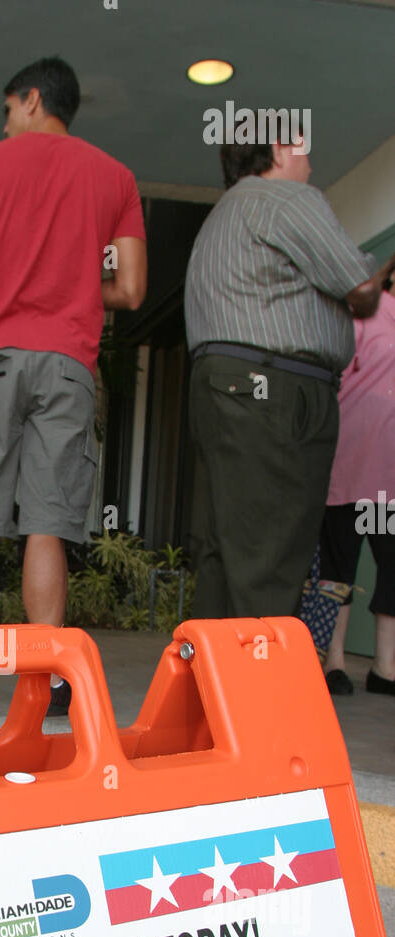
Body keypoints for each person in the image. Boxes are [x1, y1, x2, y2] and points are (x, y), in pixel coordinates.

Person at [0, 55, 146, 710]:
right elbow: (132, 289)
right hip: (68, 365)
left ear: (30, 100)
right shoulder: (115, 177)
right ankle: (48, 677)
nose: (3, 127)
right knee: (48, 522)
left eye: (6, 111)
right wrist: (77, 293)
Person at [185, 134, 395, 622]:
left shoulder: (223, 215)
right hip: (276, 391)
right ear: (276, 152)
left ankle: (212, 692)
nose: (309, 163)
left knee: (226, 550)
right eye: (302, 151)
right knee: (272, 554)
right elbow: (363, 290)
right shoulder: (287, 198)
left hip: (221, 386)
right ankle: (260, 694)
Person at [319, 279, 395, 697]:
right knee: (339, 565)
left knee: (392, 562)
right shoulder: (368, 308)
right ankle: (334, 661)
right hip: (351, 460)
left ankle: (386, 668)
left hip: (389, 476)